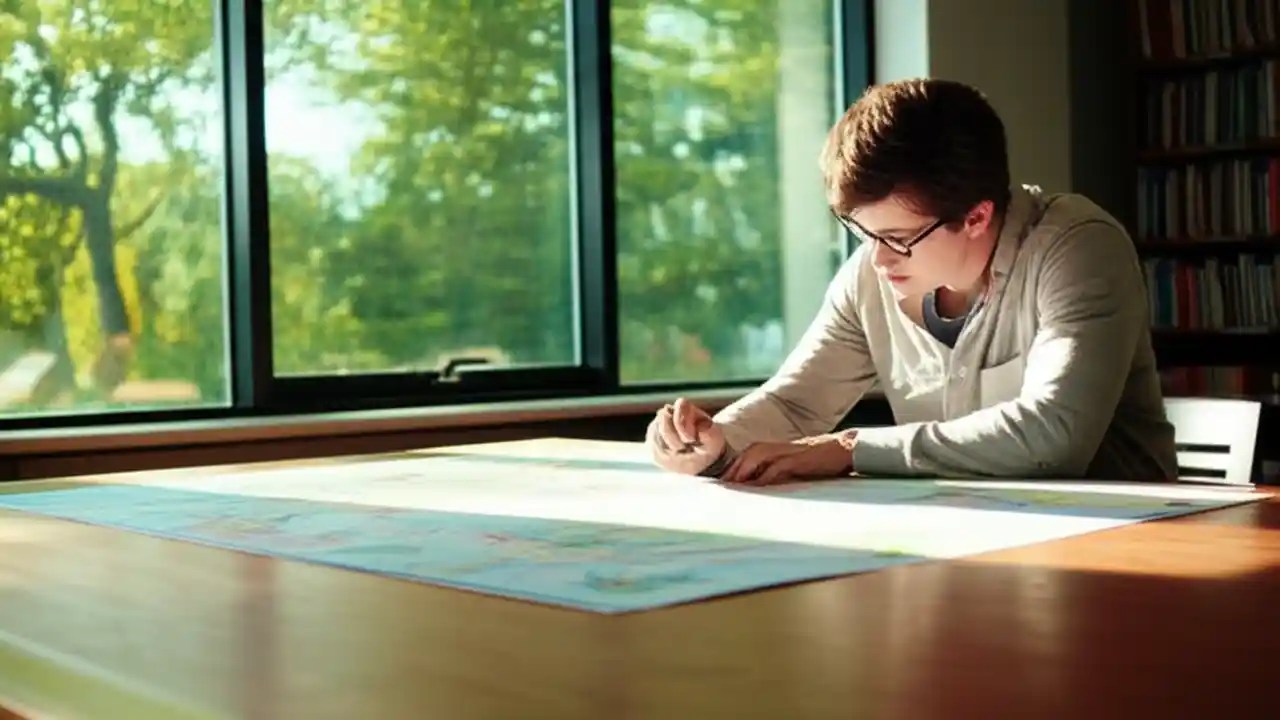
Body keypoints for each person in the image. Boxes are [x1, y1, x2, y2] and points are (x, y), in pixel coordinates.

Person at [646, 78, 1178, 486]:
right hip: (966, 535)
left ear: (976, 217)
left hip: (1129, 540)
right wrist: (714, 442)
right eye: (862, 232)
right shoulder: (871, 273)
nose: (877, 259)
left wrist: (851, 448)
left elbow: (1054, 434)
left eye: (898, 238)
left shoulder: (1078, 247)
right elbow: (796, 406)